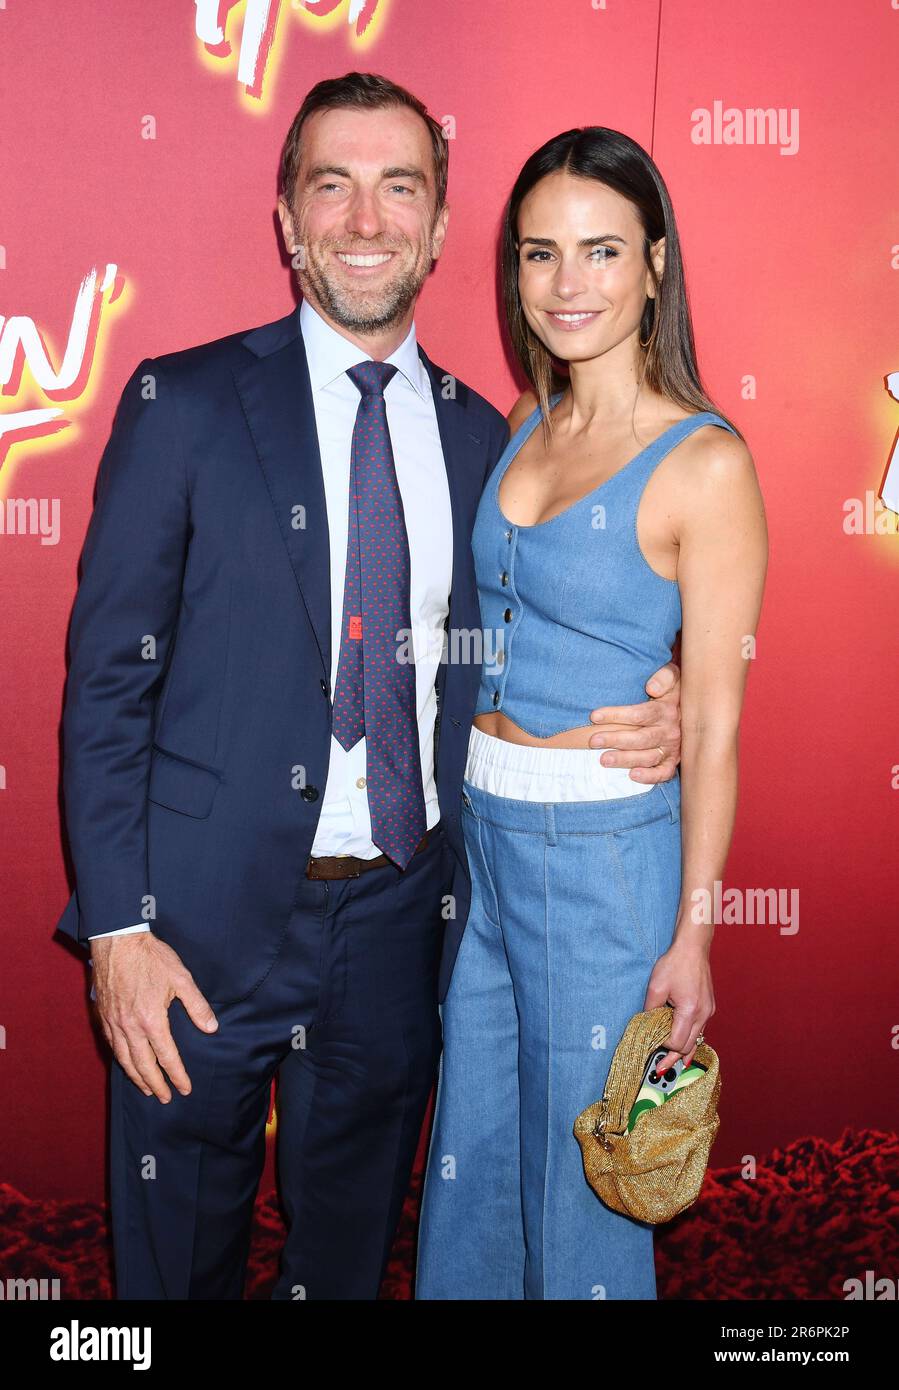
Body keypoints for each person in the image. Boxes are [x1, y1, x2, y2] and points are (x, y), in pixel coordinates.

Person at [55, 77, 682, 1300]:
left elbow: (517, 646)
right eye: (328, 184)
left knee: (345, 1269)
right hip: (192, 931)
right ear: (286, 221)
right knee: (173, 1269)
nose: (363, 218)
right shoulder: (177, 404)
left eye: (400, 185)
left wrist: (659, 695)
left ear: (441, 229)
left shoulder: (489, 442)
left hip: (399, 927)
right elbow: (104, 690)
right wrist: (117, 931)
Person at [416, 126, 768, 1300]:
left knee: (584, 1189)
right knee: (469, 1163)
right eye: (537, 254)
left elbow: (712, 723)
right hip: (482, 840)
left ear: (656, 263)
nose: (565, 286)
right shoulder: (523, 416)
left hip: (602, 861)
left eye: (601, 251)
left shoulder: (704, 463)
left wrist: (696, 935)